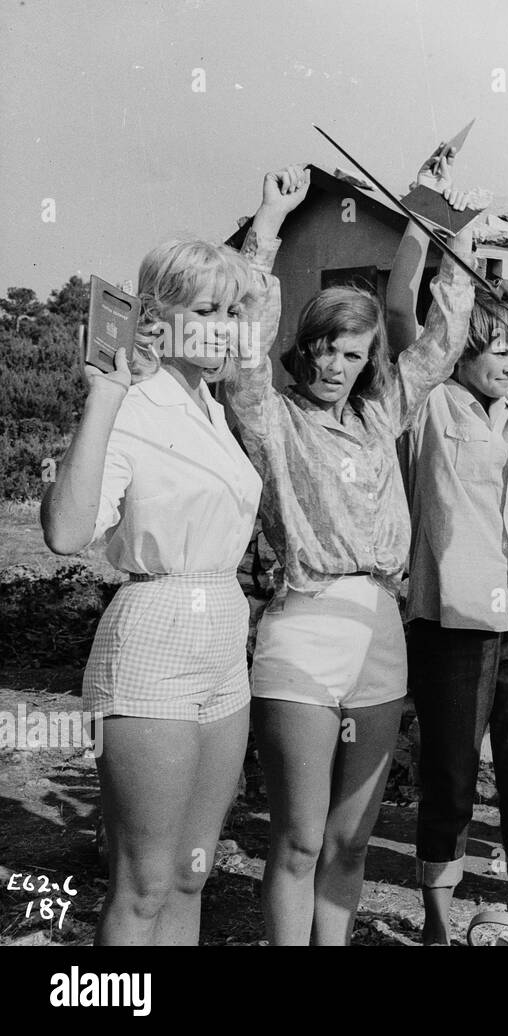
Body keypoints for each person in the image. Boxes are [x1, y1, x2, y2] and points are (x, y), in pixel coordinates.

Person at [222, 162, 477, 944]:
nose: (337, 366)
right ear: (307, 347)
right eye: (326, 349)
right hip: (302, 633)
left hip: (381, 637)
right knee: (298, 839)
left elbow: (438, 346)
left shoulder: (380, 417)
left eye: (353, 354)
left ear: (369, 360)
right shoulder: (272, 417)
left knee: (351, 838)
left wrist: (452, 242)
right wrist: (267, 227)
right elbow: (240, 355)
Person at [43, 237, 263, 945]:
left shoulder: (213, 405)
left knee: (193, 873)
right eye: (208, 310)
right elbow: (67, 532)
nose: (227, 327)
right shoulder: (132, 403)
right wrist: (104, 393)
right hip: (154, 635)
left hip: (225, 634)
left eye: (234, 311)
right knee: (143, 883)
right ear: (158, 318)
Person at [393, 171, 508, 945]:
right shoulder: (428, 402)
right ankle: (438, 926)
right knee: (448, 779)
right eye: (497, 351)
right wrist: (429, 223)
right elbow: (405, 305)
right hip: (455, 619)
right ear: (461, 350)